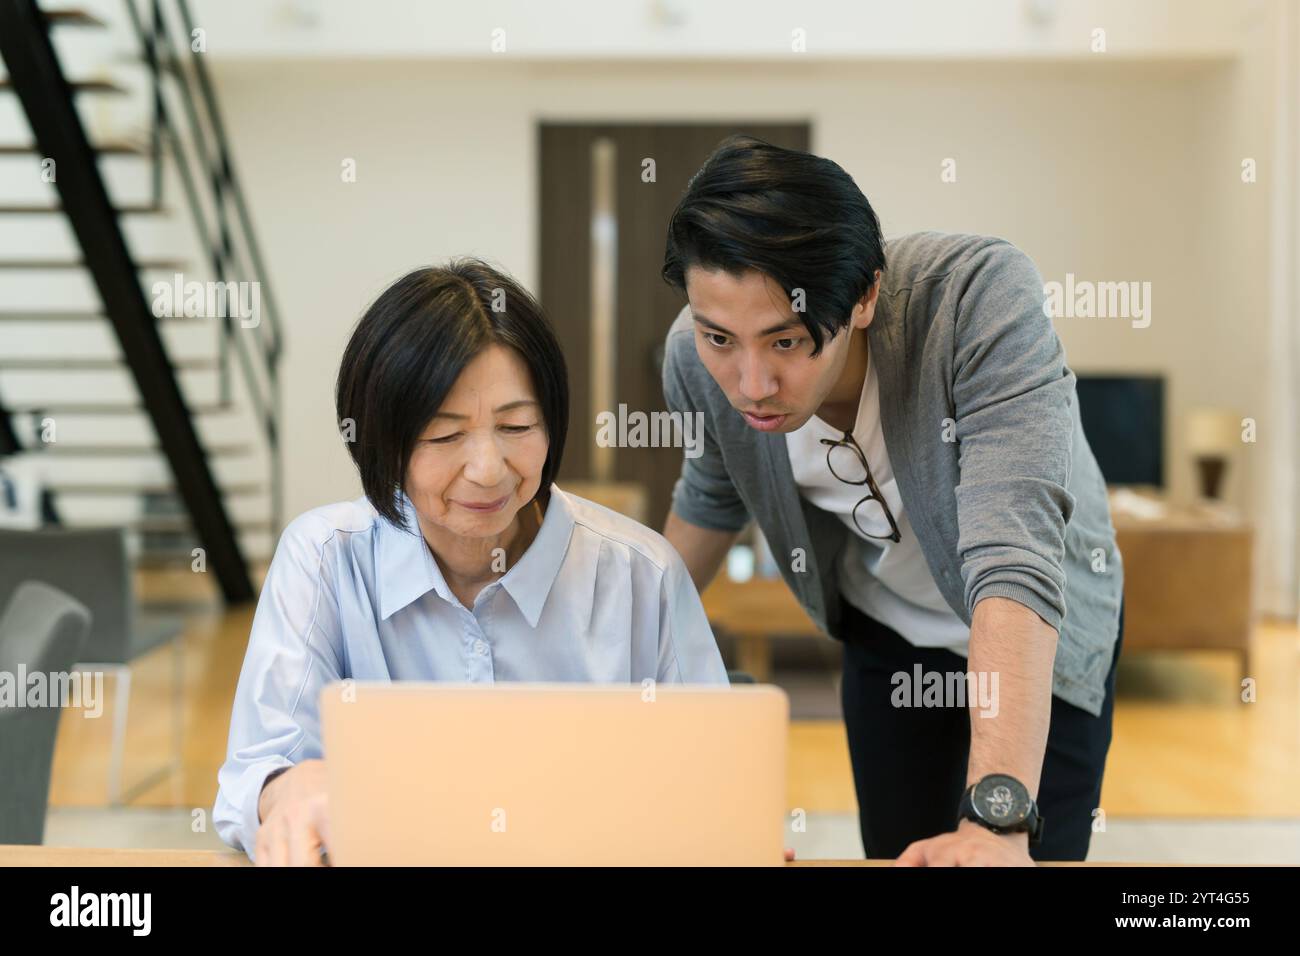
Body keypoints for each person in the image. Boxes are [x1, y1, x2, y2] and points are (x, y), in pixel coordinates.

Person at [659, 136, 1124, 865]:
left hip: (1036, 629)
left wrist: (996, 822)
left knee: (1018, 856)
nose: (749, 382)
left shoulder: (976, 302)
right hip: (890, 633)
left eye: (785, 342)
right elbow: (712, 500)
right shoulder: (691, 357)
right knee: (899, 850)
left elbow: (1014, 555)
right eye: (721, 336)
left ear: (866, 295)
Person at [215, 259, 728, 865]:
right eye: (443, 435)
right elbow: (260, 770)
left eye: (516, 426)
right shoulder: (325, 560)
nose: (488, 469)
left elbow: (716, 793)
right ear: (380, 442)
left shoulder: (643, 574)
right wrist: (290, 790)